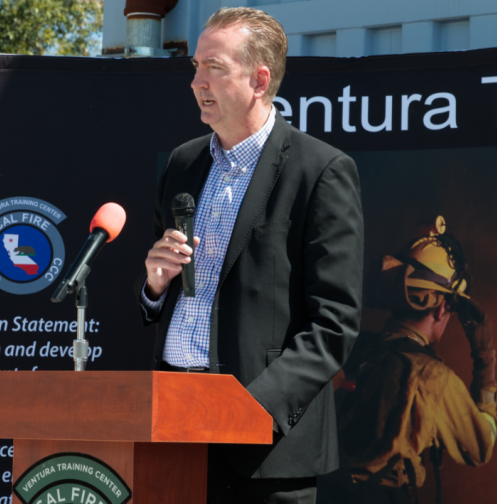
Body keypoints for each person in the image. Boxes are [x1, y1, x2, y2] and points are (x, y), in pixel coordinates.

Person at [136, 7, 363, 503]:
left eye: (214, 68)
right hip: (172, 427)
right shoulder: (183, 162)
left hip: (263, 446)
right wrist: (154, 285)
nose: (197, 82)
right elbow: (159, 298)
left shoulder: (319, 171)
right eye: (195, 67)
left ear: (260, 79)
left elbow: (334, 324)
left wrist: (248, 410)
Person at [325, 216, 497, 504]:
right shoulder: (432, 378)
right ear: (442, 307)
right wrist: (485, 358)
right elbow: (481, 446)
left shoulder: (354, 348)